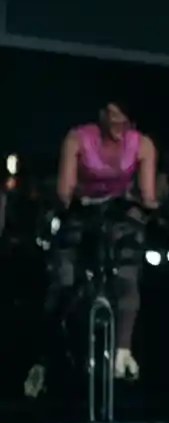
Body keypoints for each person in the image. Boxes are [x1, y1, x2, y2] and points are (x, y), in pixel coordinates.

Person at [25, 100, 158, 397]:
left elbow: (147, 195)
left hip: (119, 216)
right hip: (80, 212)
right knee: (63, 282)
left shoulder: (142, 145)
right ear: (100, 116)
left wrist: (147, 207)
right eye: (110, 116)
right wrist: (71, 203)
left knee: (127, 274)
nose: (116, 123)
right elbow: (64, 190)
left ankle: (123, 351)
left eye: (121, 117)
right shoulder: (78, 139)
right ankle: (43, 360)